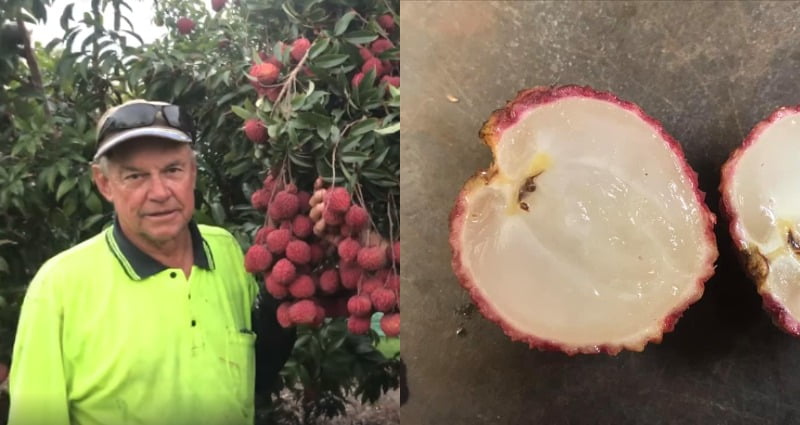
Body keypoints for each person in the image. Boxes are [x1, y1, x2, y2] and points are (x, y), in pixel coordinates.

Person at [7, 99, 295, 425]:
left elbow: (256, 372)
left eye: (173, 170)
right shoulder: (59, 287)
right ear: (104, 184)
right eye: (135, 176)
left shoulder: (225, 251)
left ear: (193, 173)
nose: (159, 192)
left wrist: (289, 285)